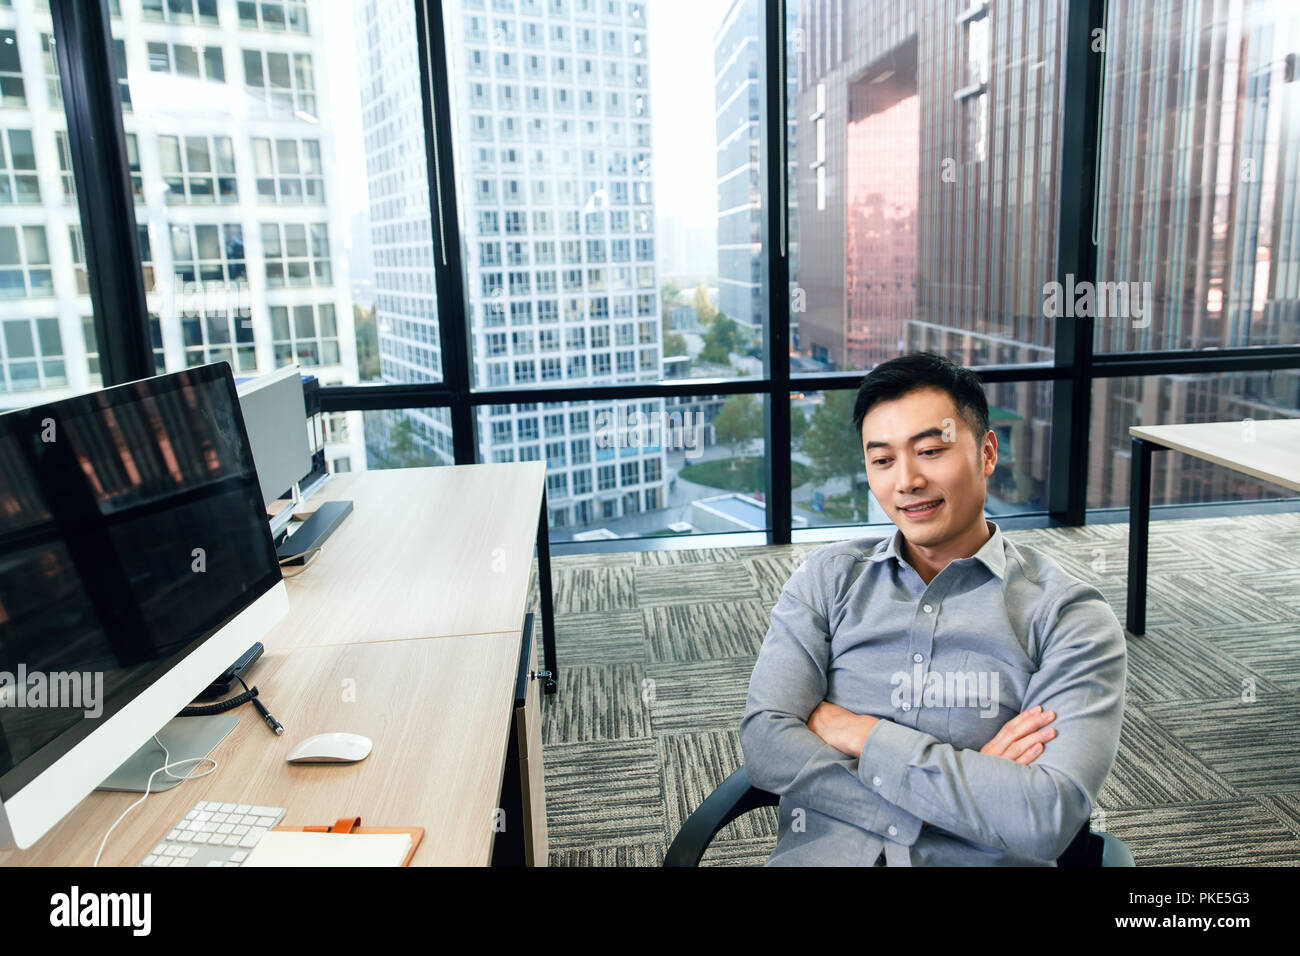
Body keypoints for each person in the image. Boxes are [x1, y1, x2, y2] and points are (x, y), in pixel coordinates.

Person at [739, 352, 1126, 865]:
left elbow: (1044, 817)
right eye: (882, 460)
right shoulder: (828, 580)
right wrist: (964, 793)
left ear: (987, 453)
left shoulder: (1068, 619)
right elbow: (767, 743)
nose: (907, 481)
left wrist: (862, 733)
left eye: (930, 451)